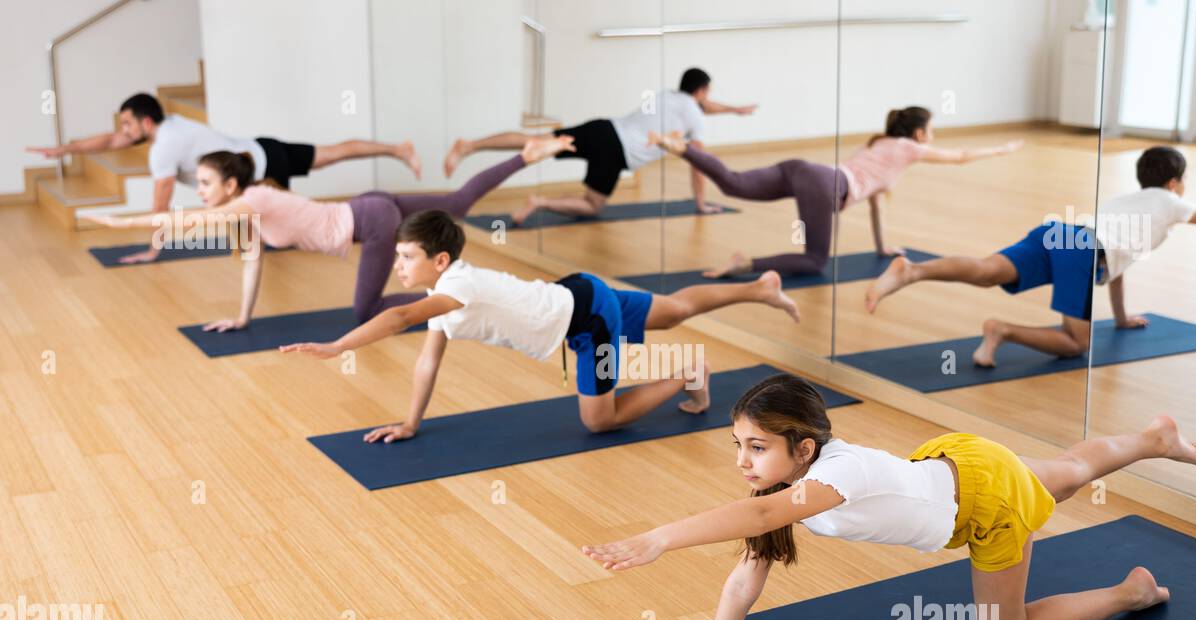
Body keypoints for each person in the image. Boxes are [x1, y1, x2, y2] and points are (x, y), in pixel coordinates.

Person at [580, 372, 1196, 620]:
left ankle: (1130, 595)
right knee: (1069, 472)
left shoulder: (837, 474)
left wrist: (660, 536)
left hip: (982, 503)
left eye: (756, 447)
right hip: (961, 466)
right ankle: (1153, 438)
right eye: (737, 445)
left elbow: (758, 520)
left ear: (804, 448)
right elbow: (747, 575)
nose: (742, 462)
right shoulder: (782, 485)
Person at [279, 210, 802, 435]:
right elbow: (426, 361)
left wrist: (335, 346)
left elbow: (396, 317)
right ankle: (759, 288)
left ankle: (686, 369)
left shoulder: (455, 289)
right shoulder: (448, 290)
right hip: (579, 291)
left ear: (439, 261)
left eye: (408, 256)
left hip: (587, 320)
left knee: (598, 421)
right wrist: (411, 422)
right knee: (677, 309)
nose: (399, 265)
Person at [864, 145, 1196, 366]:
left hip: (1060, 233)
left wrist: (1123, 317)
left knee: (984, 270)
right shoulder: (1170, 203)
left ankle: (912, 269)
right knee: (1076, 345)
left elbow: (1115, 267)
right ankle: (1000, 330)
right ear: (1174, 183)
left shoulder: (1124, 202)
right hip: (1082, 250)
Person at [87, 137, 573, 329]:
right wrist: (240, 319)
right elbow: (253, 264)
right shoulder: (250, 213)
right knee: (459, 204)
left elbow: (183, 222)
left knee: (365, 312)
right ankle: (524, 157)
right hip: (370, 207)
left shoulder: (251, 199)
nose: (203, 192)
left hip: (373, 220)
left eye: (208, 184)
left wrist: (121, 222)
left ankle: (456, 301)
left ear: (232, 185)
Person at [29, 93, 421, 262]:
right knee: (327, 155)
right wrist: (65, 151)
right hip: (260, 149)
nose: (123, 132)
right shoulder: (167, 126)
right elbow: (113, 140)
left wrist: (153, 248)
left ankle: (389, 169)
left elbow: (160, 203)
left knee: (325, 162)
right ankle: (396, 149)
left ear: (145, 122)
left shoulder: (163, 147)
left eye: (128, 124)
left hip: (264, 167)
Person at [649, 106, 1022, 279]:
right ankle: (744, 265)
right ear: (920, 134)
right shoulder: (910, 148)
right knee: (814, 261)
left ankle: (681, 148)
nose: (932, 138)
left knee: (733, 183)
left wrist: (882, 246)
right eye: (932, 130)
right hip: (824, 184)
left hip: (806, 170)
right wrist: (1000, 150)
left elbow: (876, 203)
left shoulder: (880, 145)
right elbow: (959, 157)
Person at [442, 68, 756, 223]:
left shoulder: (669, 97)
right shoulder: (693, 116)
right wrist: (700, 204)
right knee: (592, 206)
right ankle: (535, 199)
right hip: (616, 151)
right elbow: (698, 161)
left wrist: (733, 110)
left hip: (605, 130)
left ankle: (474, 149)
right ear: (702, 90)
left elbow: (705, 104)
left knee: (536, 143)